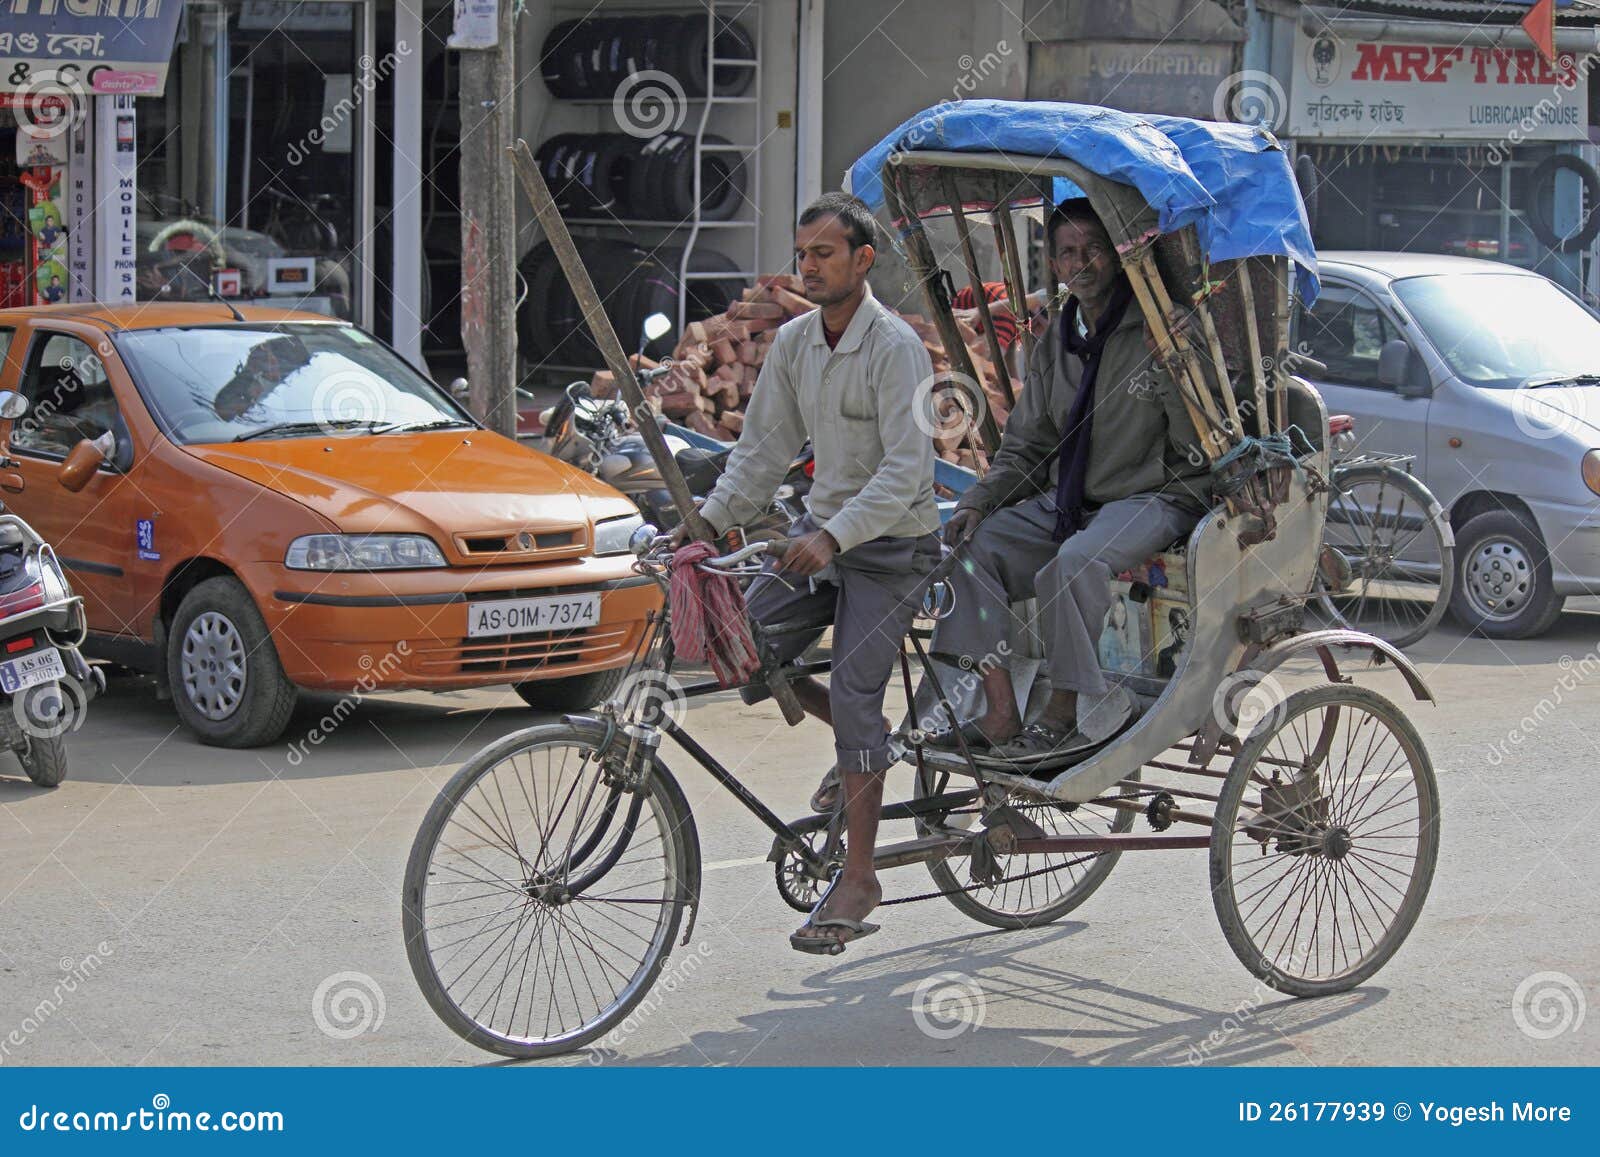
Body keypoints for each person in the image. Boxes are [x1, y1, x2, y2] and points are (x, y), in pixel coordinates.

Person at [673, 191, 941, 953]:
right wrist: (705, 523)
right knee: (744, 645)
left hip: (892, 546)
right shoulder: (792, 343)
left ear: (864, 261)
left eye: (826, 254)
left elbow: (907, 471)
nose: (811, 267)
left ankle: (859, 877)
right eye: (804, 255)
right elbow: (760, 453)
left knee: (857, 698)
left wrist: (835, 534)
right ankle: (870, 751)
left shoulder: (897, 349)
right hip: (816, 536)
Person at [927, 198, 1211, 763]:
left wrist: (1176, 365)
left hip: (1153, 493)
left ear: (1117, 256)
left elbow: (1198, 445)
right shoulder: (1056, 340)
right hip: (1070, 499)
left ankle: (1063, 708)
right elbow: (1029, 444)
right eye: (1068, 253)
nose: (1083, 263)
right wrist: (979, 504)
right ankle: (1000, 705)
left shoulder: (1163, 323)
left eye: (1094, 250)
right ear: (1054, 265)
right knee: (966, 552)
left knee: (1074, 563)